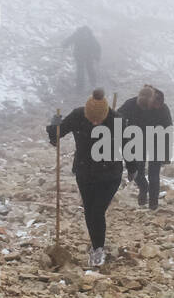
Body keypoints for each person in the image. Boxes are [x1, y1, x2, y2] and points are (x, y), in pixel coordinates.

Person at [47, 87, 123, 266]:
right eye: (92, 119)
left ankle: (98, 250)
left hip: (110, 174)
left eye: (99, 120)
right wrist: (54, 125)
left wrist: (135, 167)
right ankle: (96, 244)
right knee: (89, 211)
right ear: (87, 113)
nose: (96, 123)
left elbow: (129, 145)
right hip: (85, 172)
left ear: (106, 113)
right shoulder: (78, 115)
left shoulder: (116, 120)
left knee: (97, 211)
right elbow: (56, 137)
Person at [118, 84, 172, 209]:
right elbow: (117, 116)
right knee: (138, 171)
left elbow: (168, 131)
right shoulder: (131, 104)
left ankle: (153, 204)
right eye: (141, 107)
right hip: (137, 141)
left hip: (157, 141)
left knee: (154, 174)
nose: (153, 108)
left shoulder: (163, 109)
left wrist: (166, 154)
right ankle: (143, 188)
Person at [63, 25, 101, 90]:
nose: (85, 35)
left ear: (88, 33)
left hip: (89, 56)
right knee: (80, 71)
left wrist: (97, 55)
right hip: (79, 55)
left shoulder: (91, 37)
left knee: (90, 69)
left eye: (86, 34)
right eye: (84, 34)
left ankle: (93, 84)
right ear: (81, 32)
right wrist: (65, 44)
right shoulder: (77, 35)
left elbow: (97, 47)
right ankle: (80, 86)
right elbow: (69, 40)